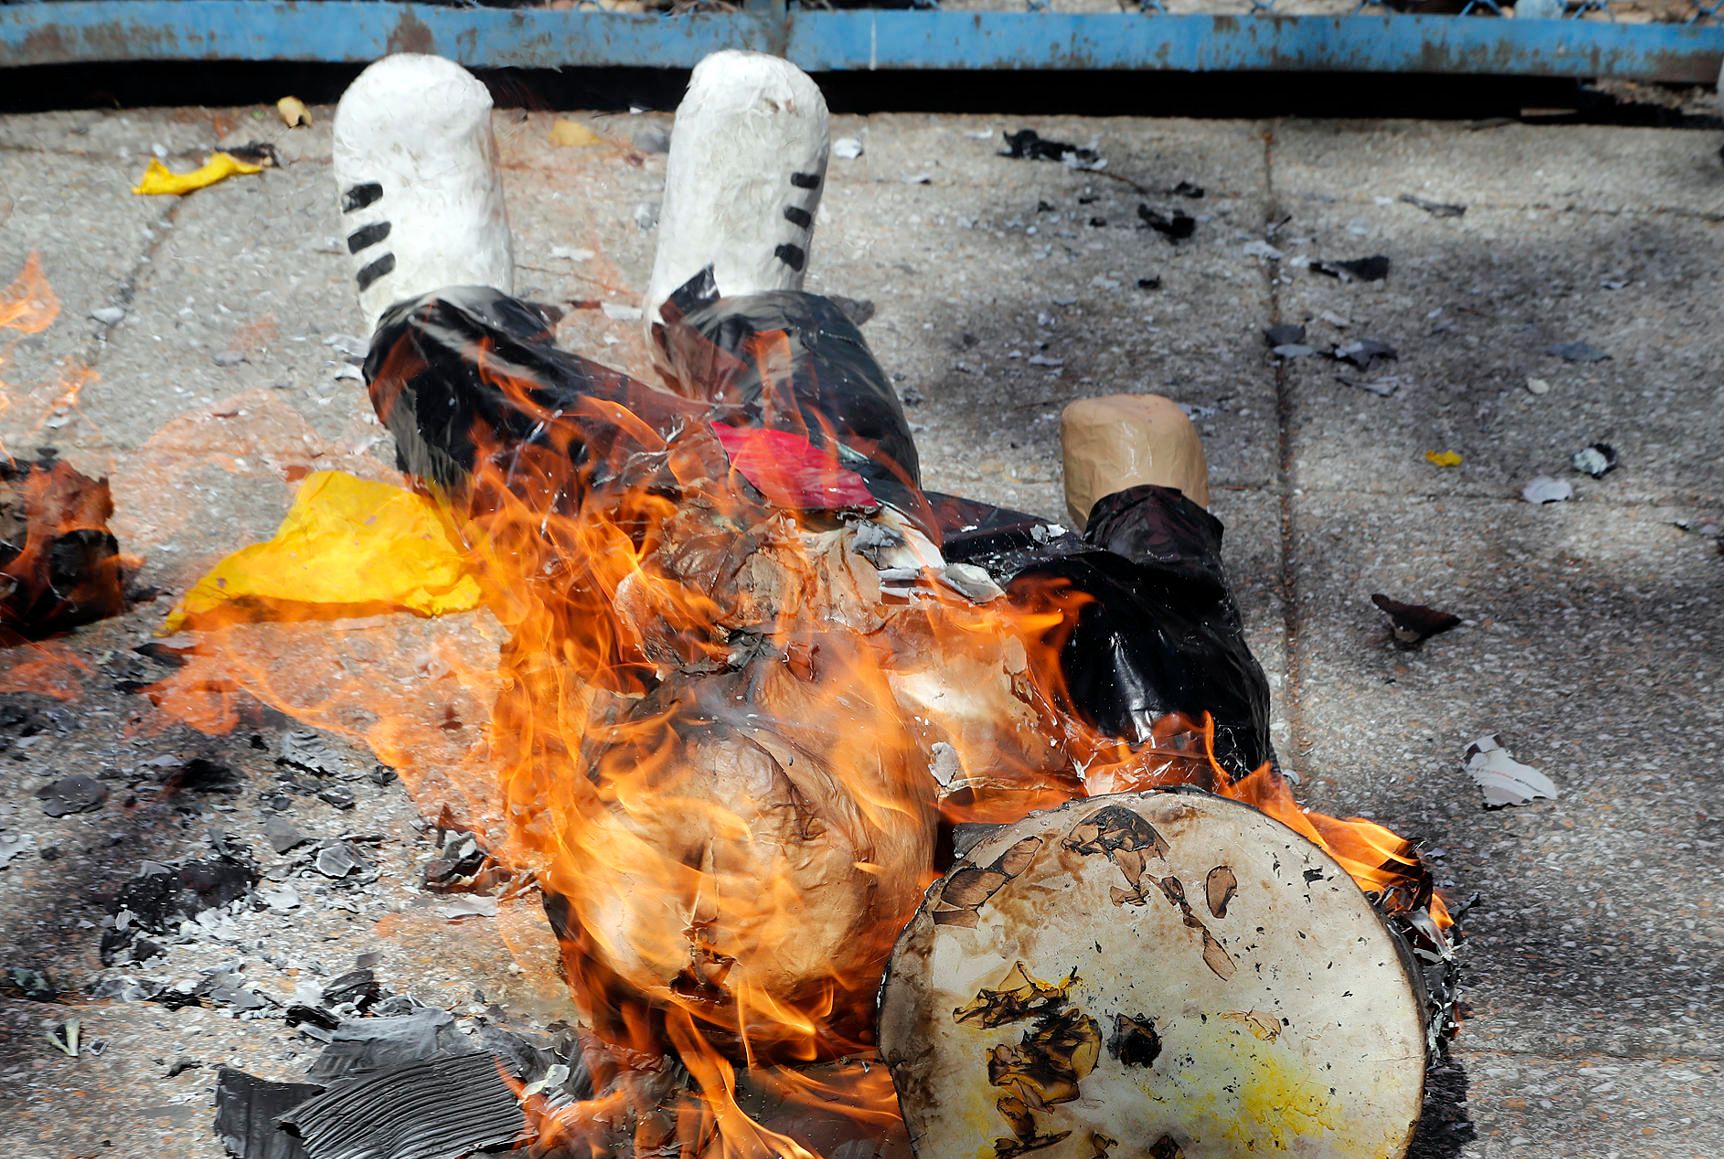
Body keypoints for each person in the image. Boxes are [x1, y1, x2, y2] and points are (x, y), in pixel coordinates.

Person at [333, 49, 1275, 785]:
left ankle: (436, 312)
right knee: (831, 426)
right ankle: (733, 301)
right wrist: (1151, 513)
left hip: (687, 569)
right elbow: (1141, 467)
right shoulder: (1161, 729)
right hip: (907, 551)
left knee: (519, 431)